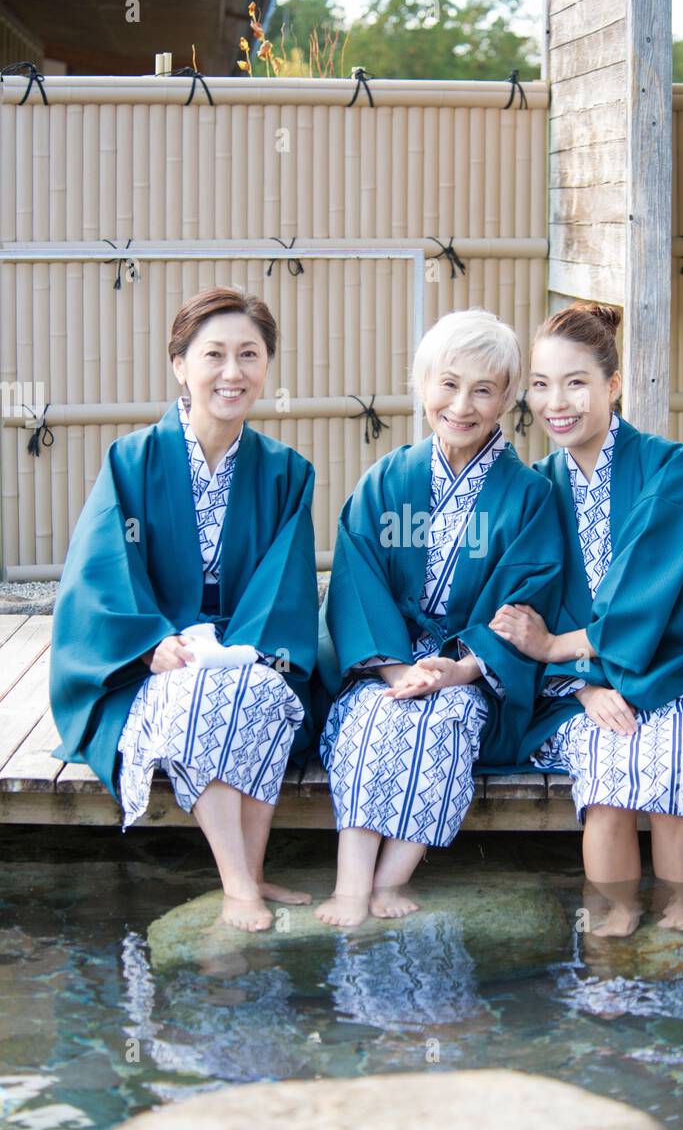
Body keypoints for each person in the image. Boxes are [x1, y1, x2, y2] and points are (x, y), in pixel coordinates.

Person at [490, 303, 683, 936]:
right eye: (542, 386)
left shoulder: (667, 466)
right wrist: (587, 681)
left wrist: (557, 650)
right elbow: (523, 605)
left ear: (613, 384)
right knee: (607, 766)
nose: (557, 402)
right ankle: (613, 923)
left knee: (668, 751)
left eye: (576, 382)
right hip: (583, 688)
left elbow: (679, 610)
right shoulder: (538, 486)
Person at [49, 286, 319, 933]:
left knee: (254, 688)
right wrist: (150, 643)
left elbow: (286, 582)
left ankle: (249, 875)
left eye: (249, 355)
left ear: (266, 366)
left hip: (246, 646)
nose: (233, 373)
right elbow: (99, 572)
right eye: (214, 355)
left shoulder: (286, 472)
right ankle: (238, 886)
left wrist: (245, 649)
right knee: (199, 694)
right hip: (148, 663)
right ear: (180, 363)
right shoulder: (131, 461)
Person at [316, 309, 561, 927]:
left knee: (444, 719)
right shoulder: (386, 481)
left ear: (508, 397)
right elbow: (357, 582)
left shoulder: (528, 493)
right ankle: (351, 885)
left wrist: (456, 671)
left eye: (484, 389)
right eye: (448, 384)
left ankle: (391, 879)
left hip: (468, 670)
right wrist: (397, 669)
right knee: (375, 718)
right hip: (388, 661)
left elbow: (525, 603)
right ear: (423, 384)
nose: (462, 404)